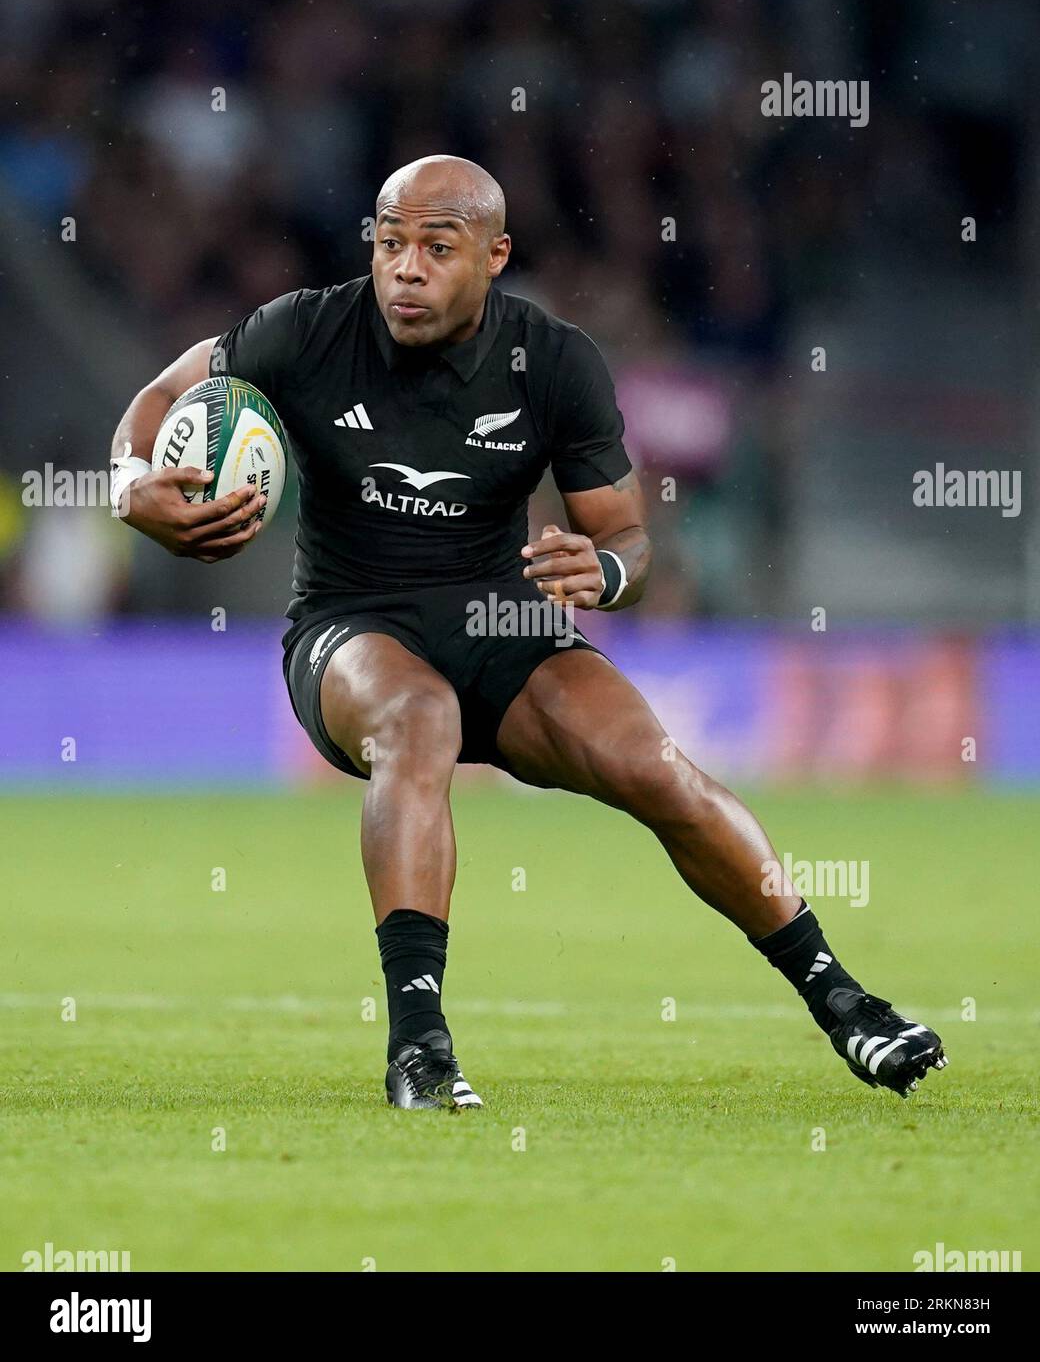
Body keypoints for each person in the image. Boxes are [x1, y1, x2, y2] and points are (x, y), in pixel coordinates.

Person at [110, 155, 947, 1109]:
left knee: (656, 769)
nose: (406, 269)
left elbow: (626, 534)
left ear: (495, 255)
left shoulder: (553, 360)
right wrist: (130, 486)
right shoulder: (303, 329)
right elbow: (156, 399)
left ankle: (845, 1002)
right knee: (418, 721)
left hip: (500, 625)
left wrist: (611, 571)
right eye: (389, 245)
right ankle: (419, 1050)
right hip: (351, 628)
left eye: (436, 246)